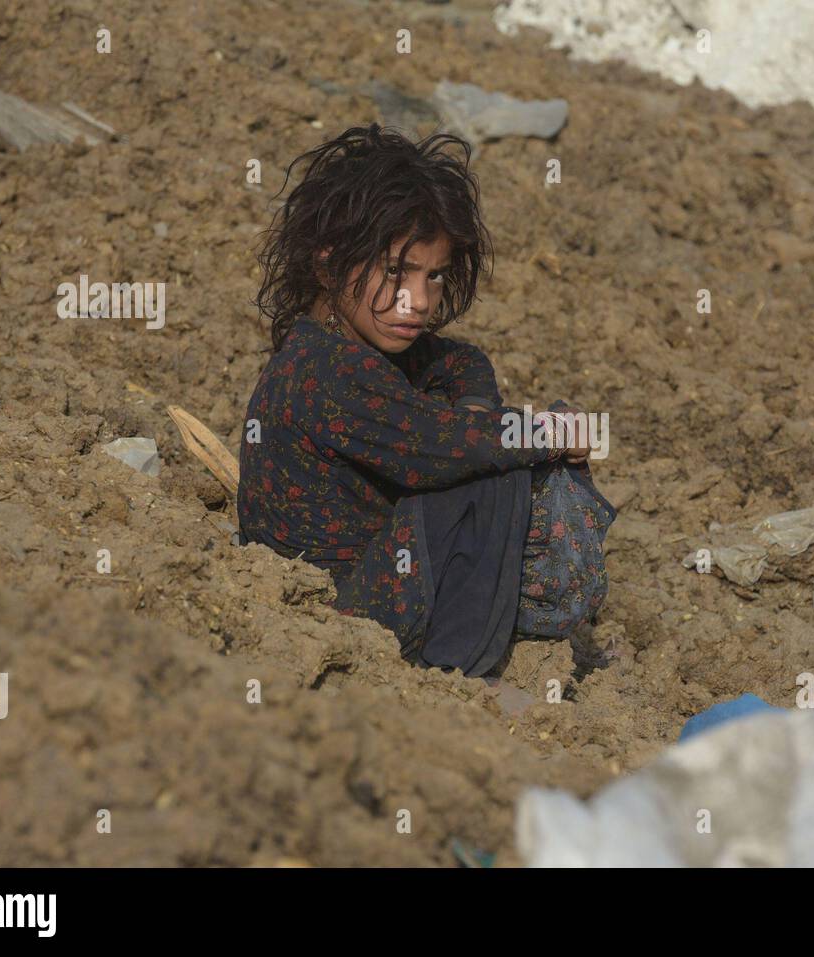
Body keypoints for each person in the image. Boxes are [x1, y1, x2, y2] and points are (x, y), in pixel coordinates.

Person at [237, 124, 615, 678]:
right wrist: (546, 434)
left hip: (372, 582)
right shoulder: (329, 370)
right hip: (341, 615)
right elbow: (438, 449)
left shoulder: (356, 336)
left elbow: (463, 363)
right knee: (492, 473)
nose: (417, 301)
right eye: (396, 272)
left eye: (434, 276)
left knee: (492, 447)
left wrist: (478, 416)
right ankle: (460, 671)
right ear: (326, 264)